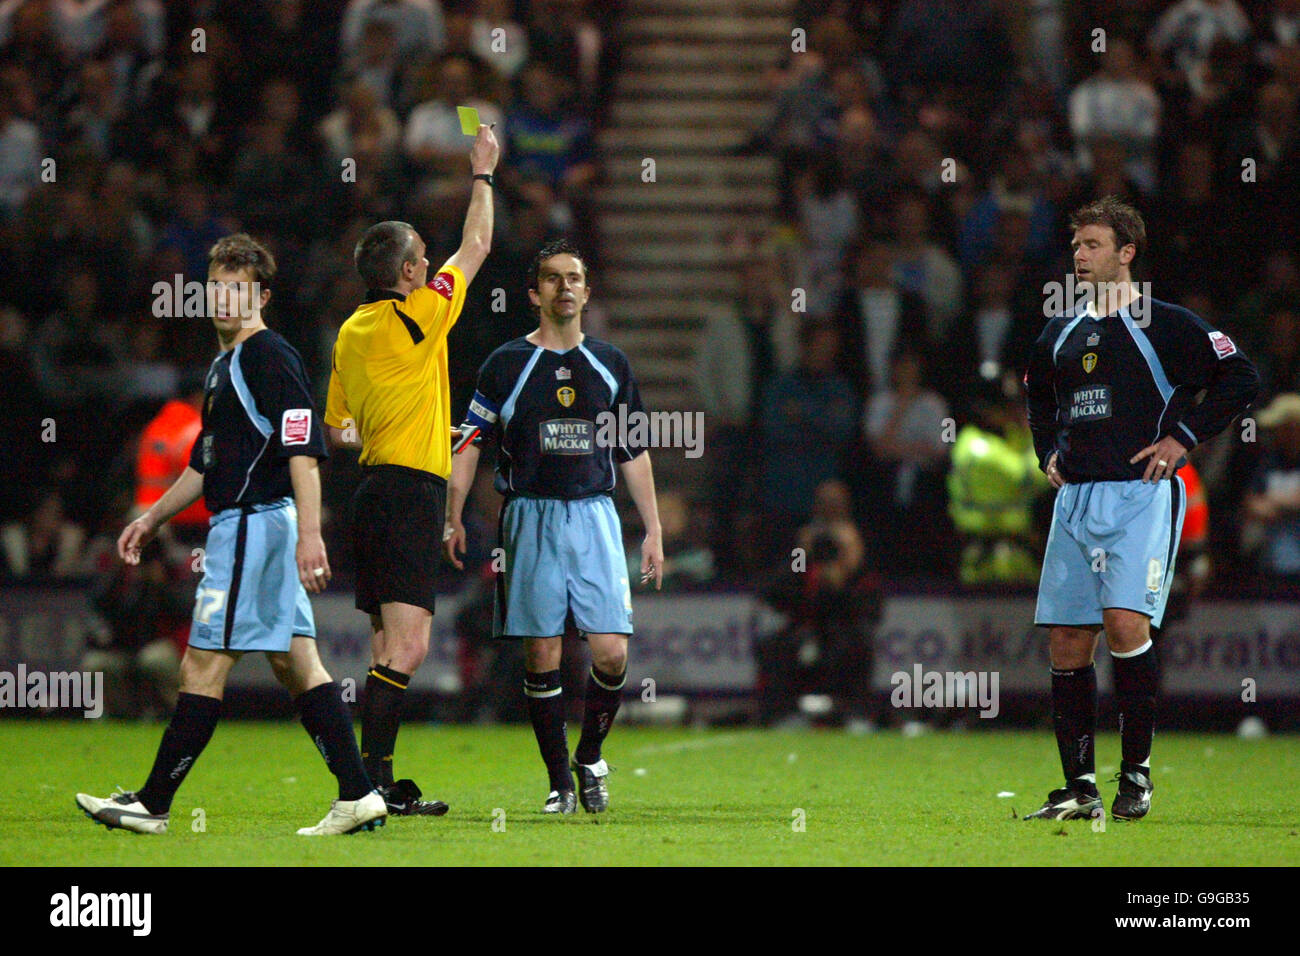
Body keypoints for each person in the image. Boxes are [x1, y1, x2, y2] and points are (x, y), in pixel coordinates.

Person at [76, 234, 386, 836]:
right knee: (297, 664)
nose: (223, 297)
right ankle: (358, 794)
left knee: (201, 666)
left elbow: (304, 446)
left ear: (262, 295)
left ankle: (153, 804)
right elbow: (203, 464)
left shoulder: (269, 355)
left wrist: (310, 534)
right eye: (216, 286)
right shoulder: (224, 367)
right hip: (255, 526)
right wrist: (149, 518)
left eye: (237, 288)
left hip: (252, 527)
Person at [1022, 197, 1258, 822]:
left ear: (1127, 253)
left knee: (1126, 628)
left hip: (1140, 494)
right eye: (1076, 245)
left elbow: (1240, 378)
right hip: (1075, 498)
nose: (1080, 254)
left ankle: (1137, 774)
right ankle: (1078, 787)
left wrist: (1184, 436)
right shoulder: (1060, 331)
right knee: (1069, 640)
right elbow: (1038, 397)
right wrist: (1047, 451)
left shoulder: (1170, 323)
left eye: (1094, 244)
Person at [443, 238, 663, 814]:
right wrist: (454, 513)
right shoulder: (506, 363)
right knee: (541, 653)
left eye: (574, 278)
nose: (564, 287)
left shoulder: (611, 364)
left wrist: (655, 530)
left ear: (587, 292)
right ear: (534, 292)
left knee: (611, 653)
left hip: (594, 514)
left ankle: (589, 757)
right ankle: (558, 783)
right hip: (529, 516)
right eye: (552, 278)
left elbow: (634, 451)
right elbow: (468, 441)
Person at [324, 122, 499, 817]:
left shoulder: (351, 330)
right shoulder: (415, 317)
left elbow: (339, 427)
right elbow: (479, 245)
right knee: (413, 642)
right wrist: (482, 171)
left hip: (369, 487)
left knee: (382, 641)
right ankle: (364, 785)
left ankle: (377, 783)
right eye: (422, 258)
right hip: (408, 491)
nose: (430, 266)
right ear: (404, 276)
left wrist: (410, 417)